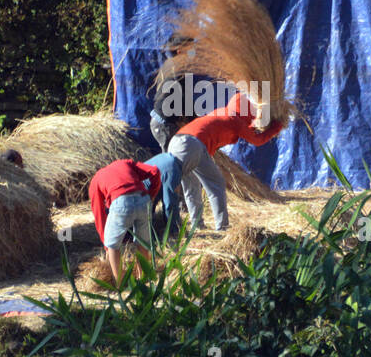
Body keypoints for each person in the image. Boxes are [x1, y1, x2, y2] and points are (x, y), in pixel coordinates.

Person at [168, 89, 284, 232]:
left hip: (175, 142)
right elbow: (257, 140)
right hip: (192, 144)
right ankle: (222, 227)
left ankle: (197, 226)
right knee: (216, 184)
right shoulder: (235, 119)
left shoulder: (222, 112)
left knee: (191, 187)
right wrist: (276, 127)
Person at [88, 158, 162, 284]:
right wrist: (151, 195)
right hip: (143, 200)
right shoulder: (125, 163)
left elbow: (99, 213)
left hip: (121, 202)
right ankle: (143, 279)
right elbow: (155, 171)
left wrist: (105, 242)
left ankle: (120, 284)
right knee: (142, 242)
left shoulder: (96, 180)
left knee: (113, 246)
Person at [142, 150, 184, 241]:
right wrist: (175, 232)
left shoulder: (165, 158)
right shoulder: (172, 169)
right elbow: (170, 204)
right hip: (137, 198)